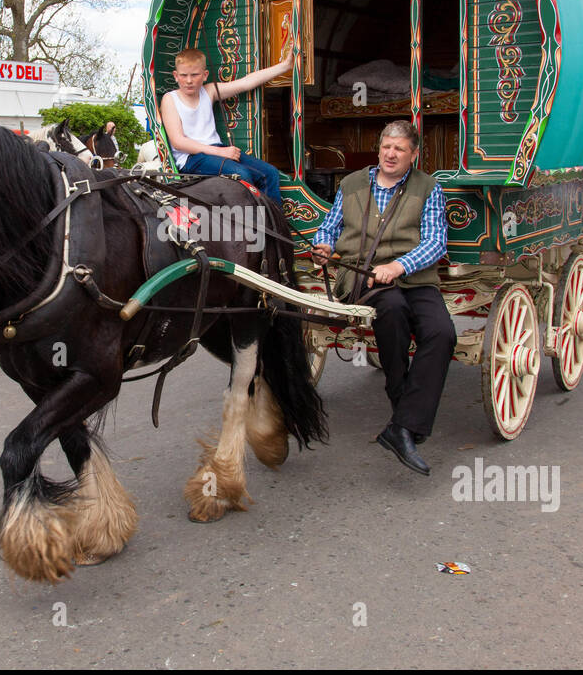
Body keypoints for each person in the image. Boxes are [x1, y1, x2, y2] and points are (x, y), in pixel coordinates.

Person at [312, 120, 453, 477]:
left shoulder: (429, 188)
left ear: (414, 155)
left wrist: (399, 265)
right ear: (379, 149)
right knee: (391, 310)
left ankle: (400, 426)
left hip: (415, 277)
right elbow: (330, 227)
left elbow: (436, 242)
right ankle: (402, 404)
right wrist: (324, 246)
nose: (392, 154)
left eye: (400, 149)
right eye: (387, 147)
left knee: (441, 333)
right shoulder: (352, 183)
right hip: (361, 275)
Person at [160, 47, 290, 202]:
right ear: (176, 76)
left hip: (216, 151)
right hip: (191, 159)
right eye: (183, 75)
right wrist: (220, 152)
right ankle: (250, 224)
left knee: (270, 174)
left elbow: (246, 83)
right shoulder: (170, 99)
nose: (189, 80)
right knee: (242, 175)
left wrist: (285, 66)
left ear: (204, 75)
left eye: (194, 75)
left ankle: (274, 224)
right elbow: (178, 142)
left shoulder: (209, 91)